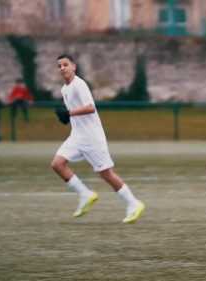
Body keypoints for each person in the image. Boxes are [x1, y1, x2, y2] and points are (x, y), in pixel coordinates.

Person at [50, 54, 145, 224]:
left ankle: (133, 203)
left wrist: (69, 113)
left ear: (74, 66)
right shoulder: (65, 89)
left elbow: (91, 108)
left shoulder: (79, 84)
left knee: (106, 174)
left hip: (92, 138)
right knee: (57, 164)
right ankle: (85, 194)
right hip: (76, 136)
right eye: (59, 66)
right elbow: (74, 112)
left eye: (65, 64)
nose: (62, 68)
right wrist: (67, 117)